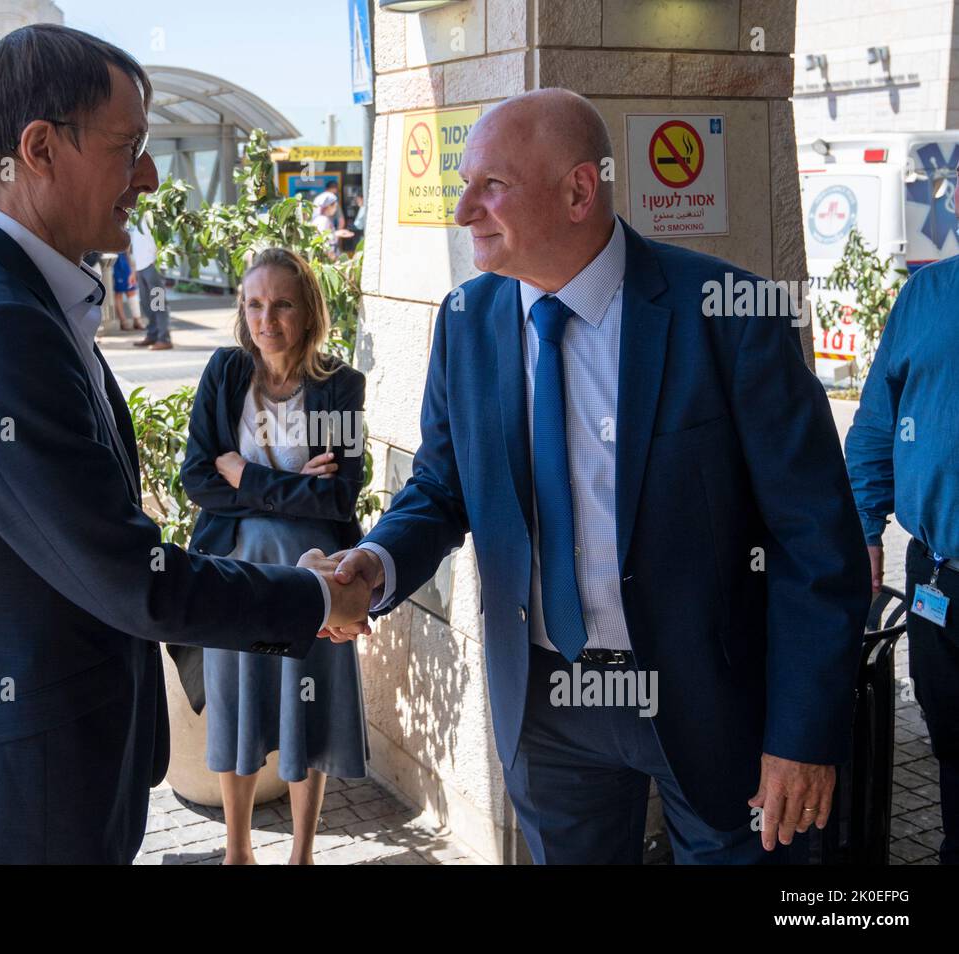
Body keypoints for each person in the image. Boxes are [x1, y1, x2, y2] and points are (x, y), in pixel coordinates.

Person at [323, 89, 871, 864]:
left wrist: (803, 735)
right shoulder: (468, 322)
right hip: (548, 707)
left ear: (580, 190)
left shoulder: (731, 313)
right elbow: (444, 488)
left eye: (492, 187)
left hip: (716, 702)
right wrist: (376, 564)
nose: (465, 211)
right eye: (464, 186)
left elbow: (816, 538)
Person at [0, 24, 370, 865]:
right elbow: (127, 575)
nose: (148, 176)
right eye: (130, 147)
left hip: (55, 767)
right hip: (22, 797)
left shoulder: (15, 298)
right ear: (39, 149)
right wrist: (310, 599)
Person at [181, 247, 369, 864]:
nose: (267, 319)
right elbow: (198, 479)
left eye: (282, 303)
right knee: (235, 713)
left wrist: (246, 473)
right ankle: (237, 852)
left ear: (308, 311)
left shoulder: (341, 386)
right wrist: (293, 484)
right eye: (255, 304)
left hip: (312, 580)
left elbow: (339, 497)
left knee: (302, 712)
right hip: (233, 572)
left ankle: (302, 854)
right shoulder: (225, 373)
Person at [845, 255, 959, 865]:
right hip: (937, 578)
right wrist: (864, 533)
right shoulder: (926, 294)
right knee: (951, 740)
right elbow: (874, 427)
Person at [129, 219, 172, 350]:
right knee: (146, 304)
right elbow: (136, 245)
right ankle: (152, 335)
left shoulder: (154, 215)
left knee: (158, 304)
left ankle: (164, 339)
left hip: (153, 265)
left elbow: (164, 240)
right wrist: (134, 270)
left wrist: (157, 261)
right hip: (141, 267)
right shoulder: (136, 217)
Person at [311, 192, 352, 260]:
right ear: (328, 206)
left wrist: (337, 233)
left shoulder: (323, 219)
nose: (335, 209)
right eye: (335, 206)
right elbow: (322, 240)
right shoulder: (323, 220)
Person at [110, 250, 142, 332]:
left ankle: (137, 319)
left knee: (132, 291)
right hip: (114, 259)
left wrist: (133, 269)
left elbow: (129, 249)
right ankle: (123, 321)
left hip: (125, 258)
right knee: (118, 293)